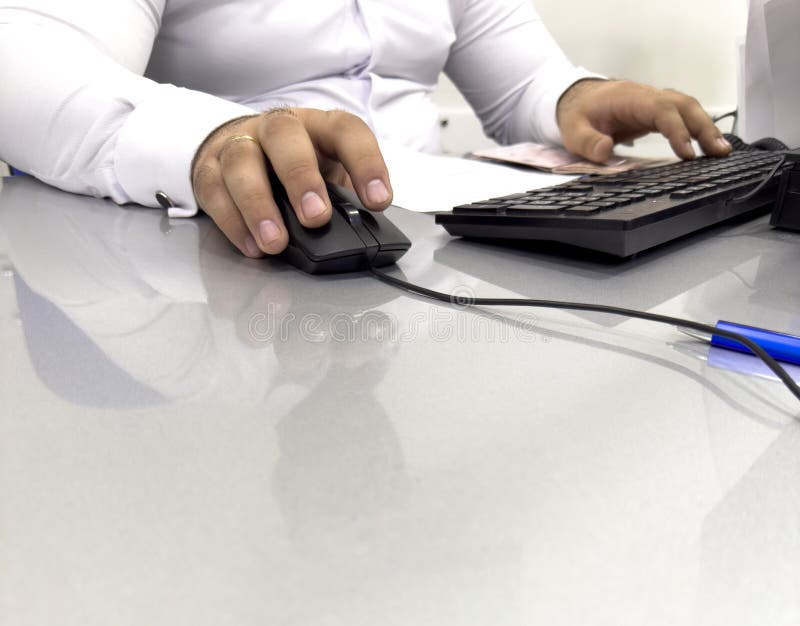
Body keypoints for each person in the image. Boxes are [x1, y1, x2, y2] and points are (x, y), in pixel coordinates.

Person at [0, 1, 732, 259]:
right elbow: (22, 63)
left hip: (443, 249)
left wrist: (580, 95)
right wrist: (211, 141)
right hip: (245, 255)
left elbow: (521, 82)